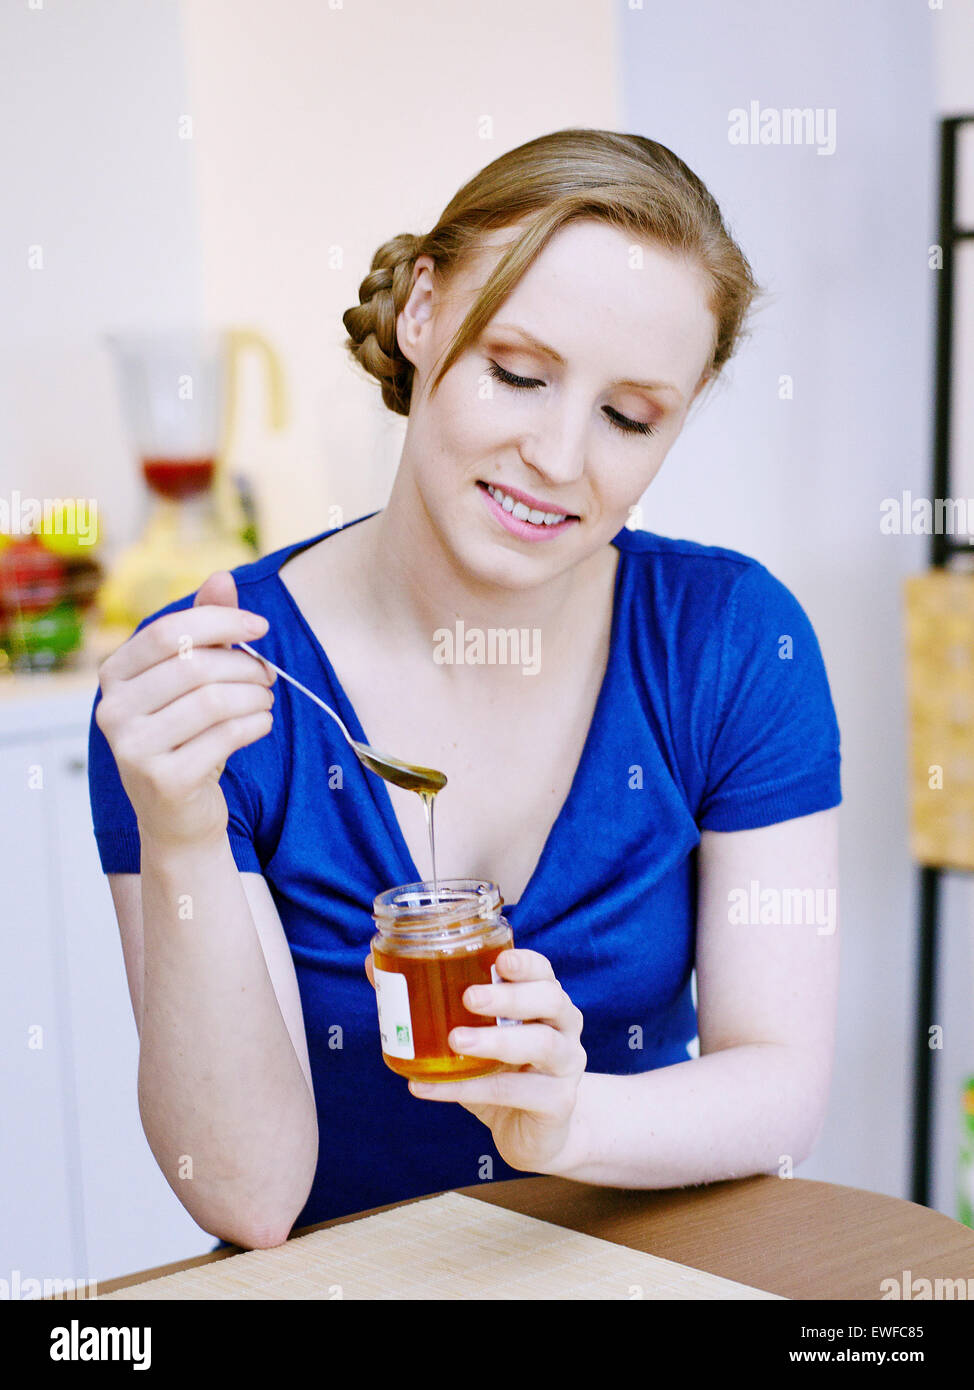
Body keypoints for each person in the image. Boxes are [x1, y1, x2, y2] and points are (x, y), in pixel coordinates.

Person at [87, 128, 841, 1252]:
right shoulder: (210, 679)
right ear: (422, 312)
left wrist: (568, 1119)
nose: (557, 454)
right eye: (519, 374)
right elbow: (245, 1197)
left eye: (628, 418)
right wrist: (183, 832)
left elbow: (777, 1086)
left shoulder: (730, 641)